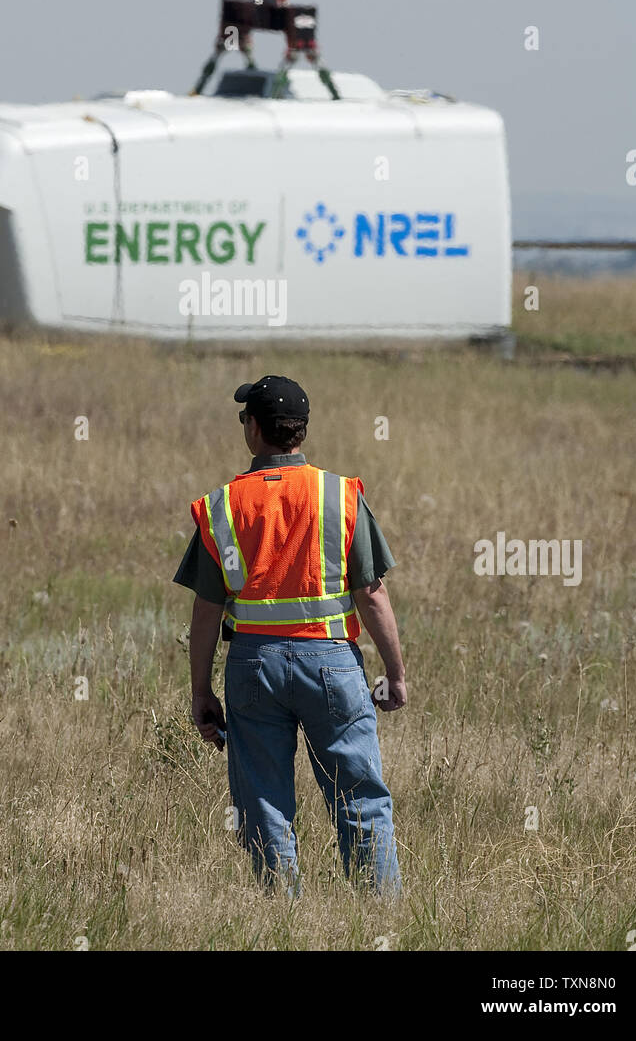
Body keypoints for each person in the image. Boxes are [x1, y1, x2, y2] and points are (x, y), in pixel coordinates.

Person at [172, 375, 406, 895]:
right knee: (361, 799)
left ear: (254, 429)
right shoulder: (337, 495)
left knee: (263, 802)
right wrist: (395, 673)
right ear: (299, 431)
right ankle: (380, 921)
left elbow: (207, 610)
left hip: (252, 668)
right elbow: (372, 594)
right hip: (334, 666)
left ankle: (282, 919)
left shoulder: (224, 506)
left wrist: (201, 691)